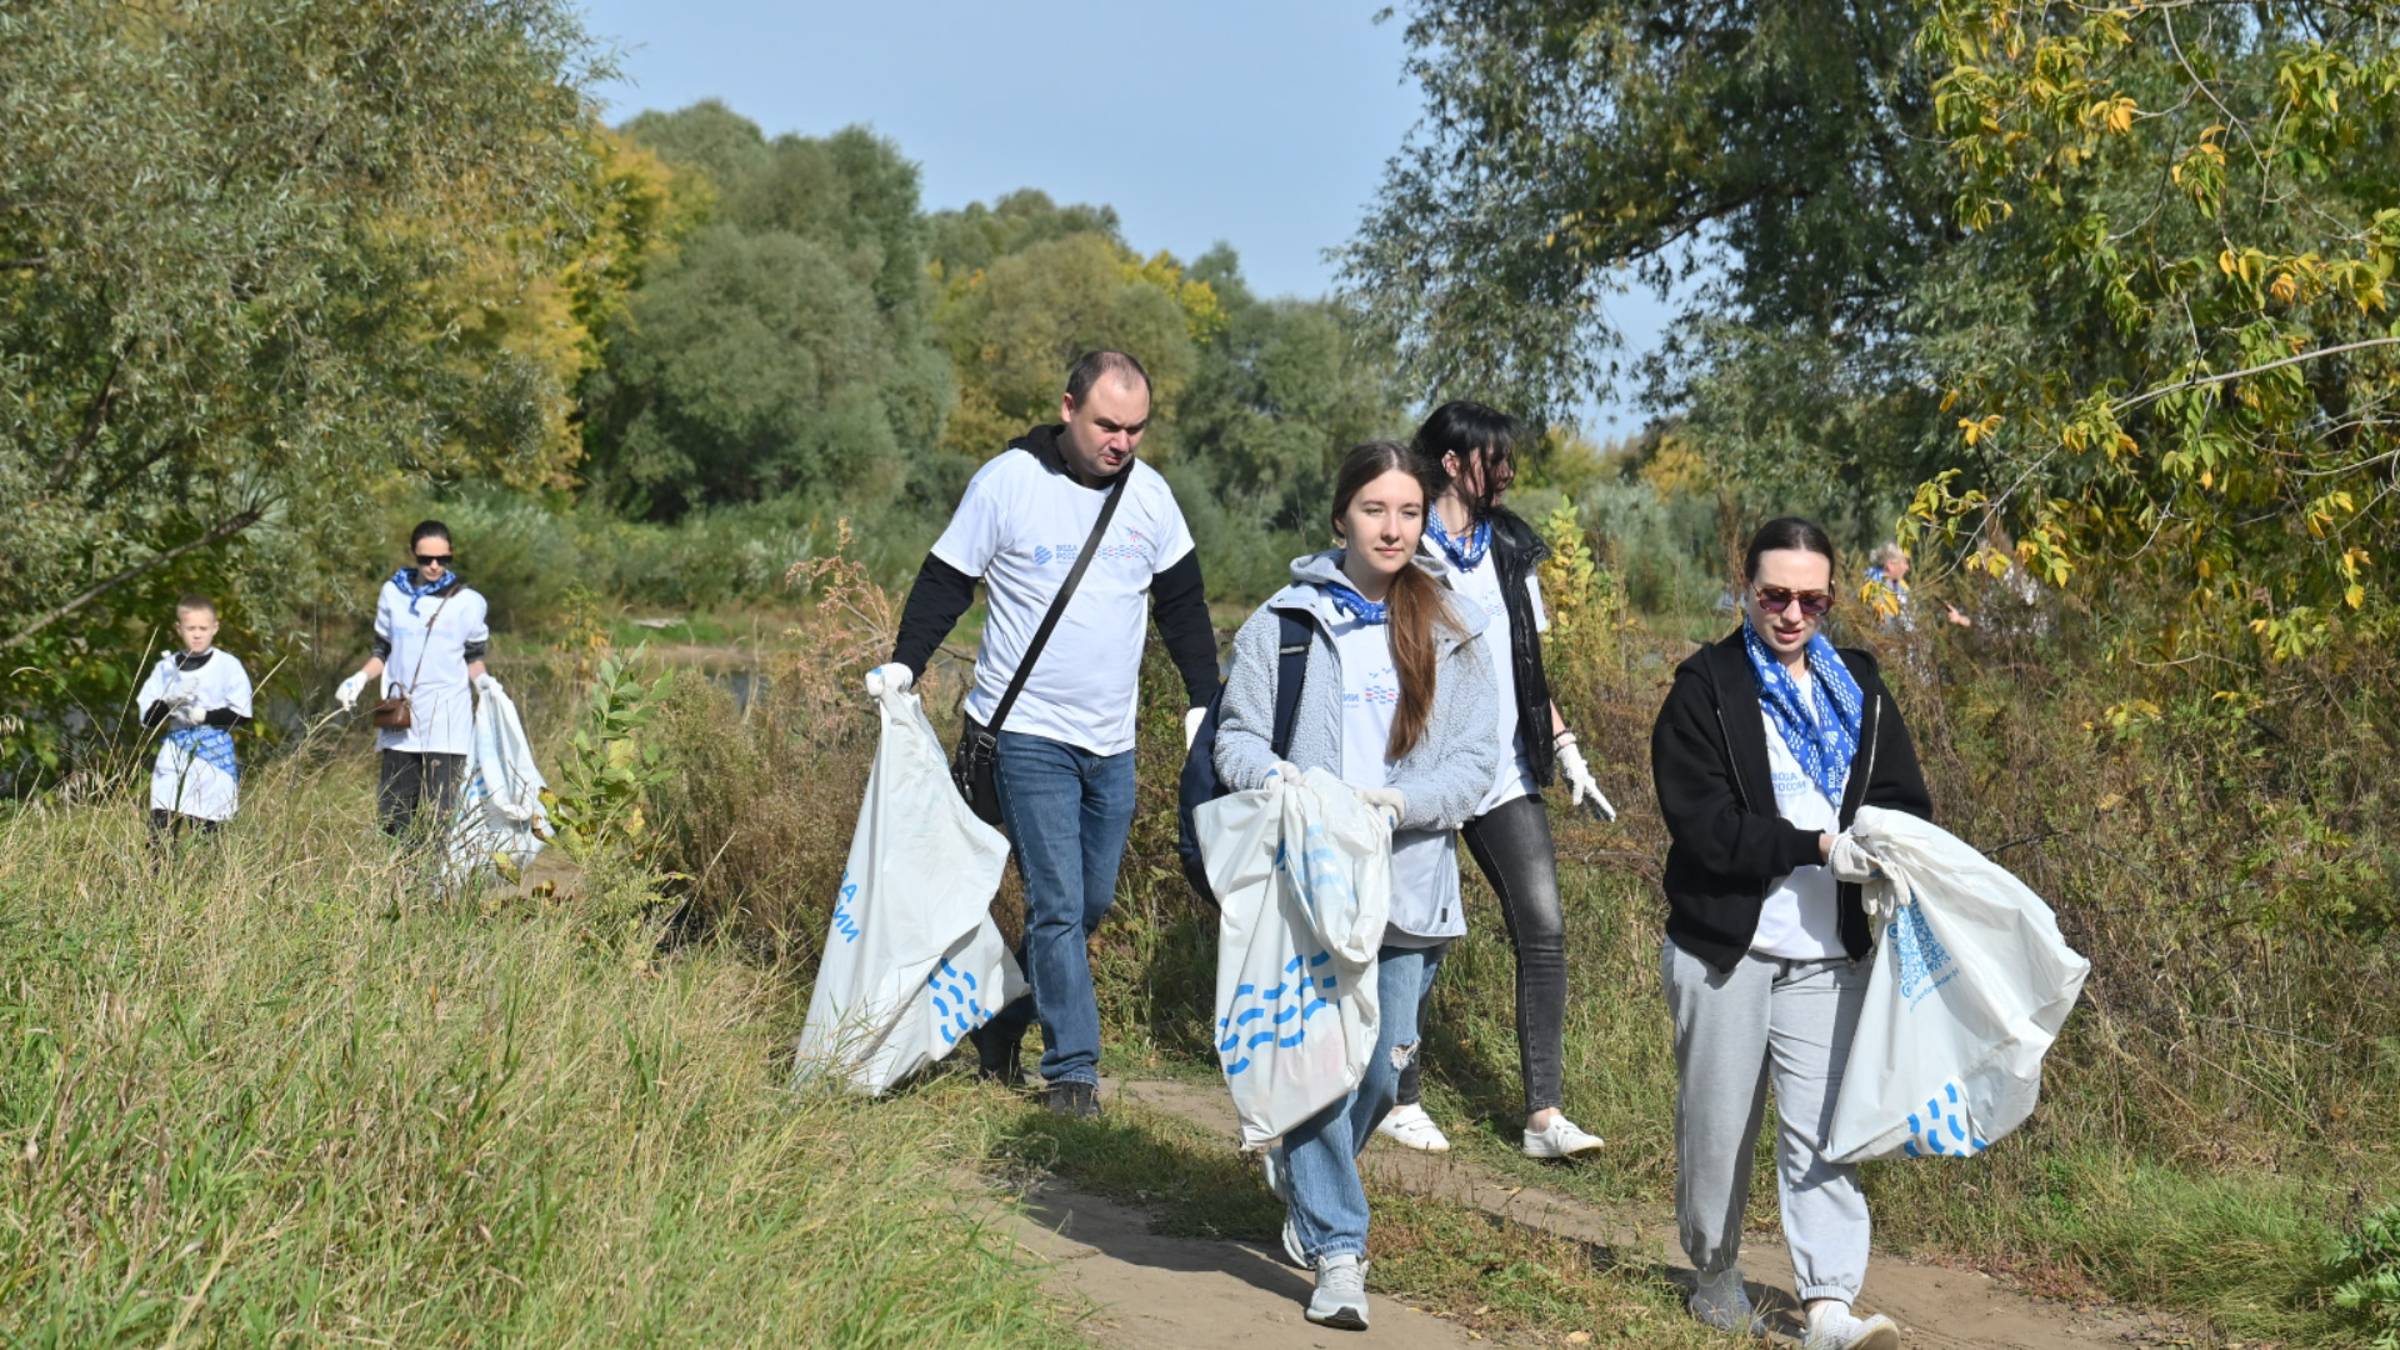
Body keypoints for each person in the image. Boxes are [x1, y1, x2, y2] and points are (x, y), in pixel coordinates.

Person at [870, 351, 1218, 1118]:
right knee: (1057, 901)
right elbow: (945, 581)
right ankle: (1073, 1072)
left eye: (1135, 429)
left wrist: (1205, 701)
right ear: (1068, 408)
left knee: (1091, 902)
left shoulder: (1152, 499)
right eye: (1106, 425)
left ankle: (1000, 1020)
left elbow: (1184, 606)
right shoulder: (1008, 483)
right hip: (1024, 733)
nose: (1121, 442)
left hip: (1112, 742)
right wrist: (904, 666)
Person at [1213, 441, 1499, 1330]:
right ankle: (1340, 1250)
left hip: (1410, 884)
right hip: (1310, 889)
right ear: (1340, 514)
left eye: (1409, 512)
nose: (1392, 527)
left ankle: (1302, 1164)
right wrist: (1288, 788)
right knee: (1312, 1065)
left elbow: (1476, 764)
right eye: (1375, 509)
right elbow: (1235, 743)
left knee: (1381, 1068)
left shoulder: (1452, 626)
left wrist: (1396, 803)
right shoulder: (1284, 623)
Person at [1648, 516, 1933, 1350]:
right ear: (1747, 589)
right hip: (1725, 949)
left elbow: (1904, 799)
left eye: (1811, 598)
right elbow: (1706, 827)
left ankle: (1830, 1307)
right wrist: (1813, 847)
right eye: (1775, 594)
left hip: (1827, 958)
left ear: (1832, 599)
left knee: (1823, 1133)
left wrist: (1886, 848)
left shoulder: (1862, 688)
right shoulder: (1704, 688)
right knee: (1718, 1126)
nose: (1792, 613)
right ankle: (1715, 1271)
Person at [1384, 401, 1613, 1159]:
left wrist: (1567, 748)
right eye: (1496, 459)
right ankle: (1397, 1095)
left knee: (1542, 930)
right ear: (1455, 463)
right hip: (1424, 770)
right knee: (1412, 935)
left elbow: (1526, 667)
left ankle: (1544, 1117)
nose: (1509, 471)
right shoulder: (1406, 547)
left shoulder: (1510, 548)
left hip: (1507, 772)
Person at [335, 520, 494, 839]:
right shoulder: (392, 593)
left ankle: (435, 883)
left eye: (442, 559)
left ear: (451, 555)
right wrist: (359, 678)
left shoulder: (468, 602)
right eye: (425, 559)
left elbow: (473, 657)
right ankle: (397, 880)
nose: (434, 566)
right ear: (413, 555)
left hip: (448, 719)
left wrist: (488, 688)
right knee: (394, 811)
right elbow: (383, 651)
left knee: (442, 813)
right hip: (401, 716)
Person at [135, 594, 253, 839]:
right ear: (179, 629)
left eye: (203, 628)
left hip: (213, 757)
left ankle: (211, 876)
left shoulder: (227, 665)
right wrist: (167, 702)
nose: (197, 634)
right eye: (190, 628)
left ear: (214, 628)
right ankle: (158, 876)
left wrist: (204, 715)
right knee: (161, 824)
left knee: (208, 830)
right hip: (174, 751)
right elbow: (148, 720)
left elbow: (242, 714)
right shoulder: (166, 668)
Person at [1864, 543, 1967, 631]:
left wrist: (1943, 614)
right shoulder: (1875, 589)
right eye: (1904, 562)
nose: (1907, 567)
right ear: (1890, 565)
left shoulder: (1898, 584)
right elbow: (1887, 627)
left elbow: (1914, 609)